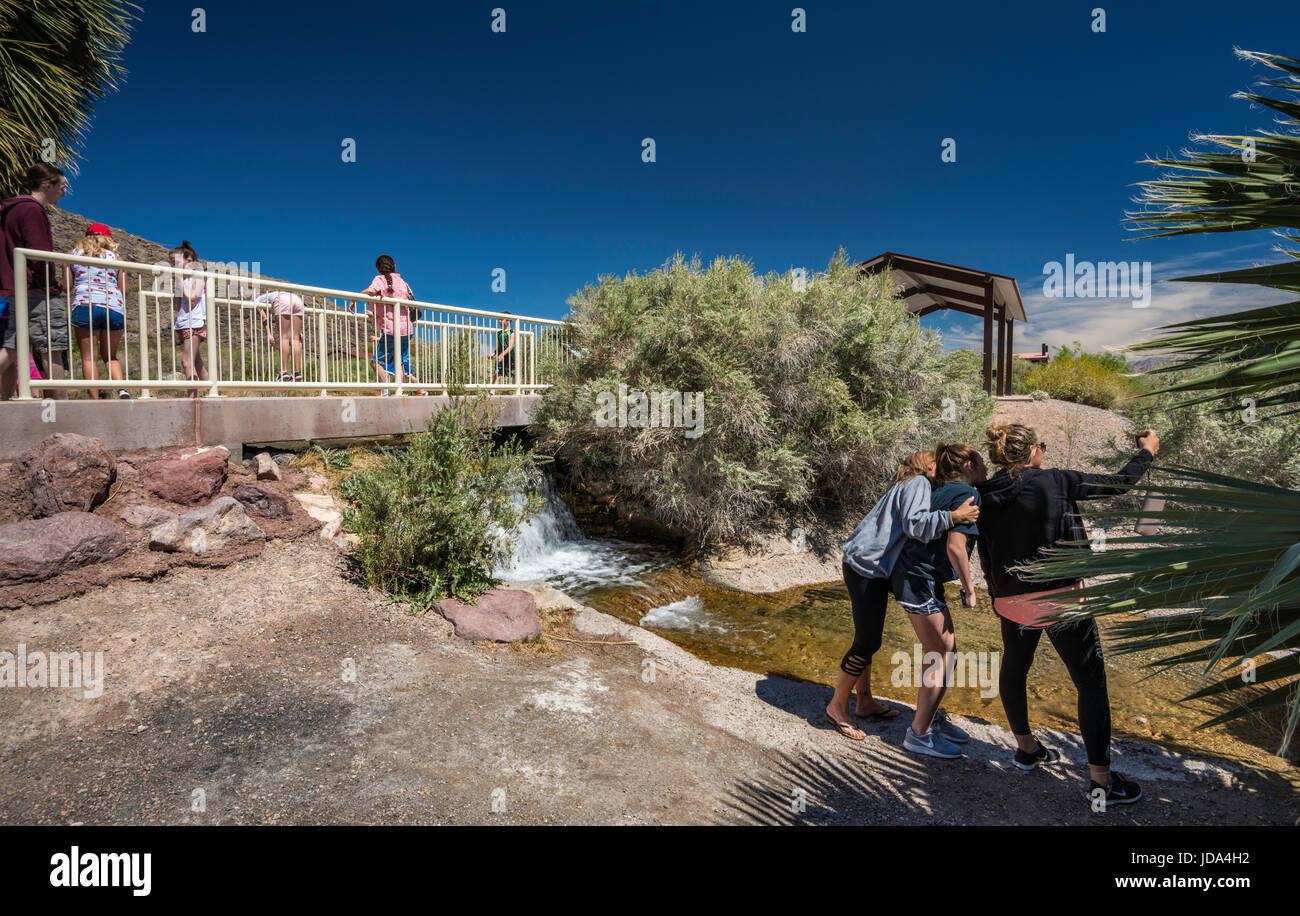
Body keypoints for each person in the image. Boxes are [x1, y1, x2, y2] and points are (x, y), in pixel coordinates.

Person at [977, 422, 1159, 806]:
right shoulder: (1056, 481)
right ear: (1029, 451)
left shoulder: (984, 494)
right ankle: (1101, 782)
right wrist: (1147, 452)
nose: (1044, 449)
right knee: (1090, 683)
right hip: (1061, 599)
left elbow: (985, 550)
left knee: (1015, 668)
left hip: (1011, 601)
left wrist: (995, 595)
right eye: (1041, 444)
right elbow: (1120, 483)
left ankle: (1026, 749)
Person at [828, 450, 981, 740]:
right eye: (937, 462)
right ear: (927, 465)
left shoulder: (910, 484)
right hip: (867, 567)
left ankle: (864, 702)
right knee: (867, 640)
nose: (943, 467)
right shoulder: (918, 484)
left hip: (867, 564)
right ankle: (837, 706)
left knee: (867, 637)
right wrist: (955, 516)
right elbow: (917, 525)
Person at [889, 443, 986, 758]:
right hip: (919, 581)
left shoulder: (939, 488)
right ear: (970, 464)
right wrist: (970, 589)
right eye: (981, 461)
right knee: (943, 655)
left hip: (911, 576)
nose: (986, 468)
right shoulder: (967, 495)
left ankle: (929, 719)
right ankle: (918, 734)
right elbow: (956, 548)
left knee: (943, 653)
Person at [1, 163, 70, 400]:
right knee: (53, 348)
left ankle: (5, 407)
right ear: (46, 185)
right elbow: (37, 252)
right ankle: (60, 411)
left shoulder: (11, 209)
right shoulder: (31, 210)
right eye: (62, 187)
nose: (64, 192)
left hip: (20, 288)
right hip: (38, 290)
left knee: (13, 348)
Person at [67, 223, 129, 399]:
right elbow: (124, 288)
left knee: (89, 358)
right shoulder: (116, 258)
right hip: (114, 308)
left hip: (86, 305)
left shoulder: (72, 255)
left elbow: (66, 285)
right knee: (110, 355)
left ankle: (95, 402)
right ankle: (122, 390)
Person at [361, 255, 417, 390]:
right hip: (407, 329)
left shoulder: (380, 280)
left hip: (392, 329)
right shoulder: (403, 283)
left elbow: (371, 291)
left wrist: (354, 299)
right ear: (394, 266)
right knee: (402, 362)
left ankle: (385, 391)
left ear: (379, 269)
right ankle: (410, 390)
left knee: (376, 363)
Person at [169, 241, 207, 397]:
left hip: (195, 323)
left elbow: (192, 299)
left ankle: (193, 401)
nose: (173, 266)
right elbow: (177, 306)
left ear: (189, 261)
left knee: (186, 362)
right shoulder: (183, 280)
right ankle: (213, 394)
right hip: (184, 322)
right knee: (197, 364)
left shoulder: (198, 275)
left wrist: (179, 280)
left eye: (175, 262)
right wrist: (178, 282)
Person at [255, 289, 305, 382]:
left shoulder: (257, 300)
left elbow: (264, 317)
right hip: (297, 300)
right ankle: (297, 373)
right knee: (295, 339)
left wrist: (269, 334)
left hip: (283, 300)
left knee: (284, 337)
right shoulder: (274, 294)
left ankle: (284, 372)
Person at [491, 313, 517, 387]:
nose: (499, 321)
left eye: (501, 319)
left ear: (508, 321)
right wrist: (494, 353)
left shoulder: (511, 333)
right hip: (501, 357)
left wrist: (503, 354)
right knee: (497, 373)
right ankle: (492, 391)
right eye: (499, 319)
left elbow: (511, 346)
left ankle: (521, 390)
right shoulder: (499, 333)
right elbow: (499, 346)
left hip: (510, 357)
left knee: (514, 375)